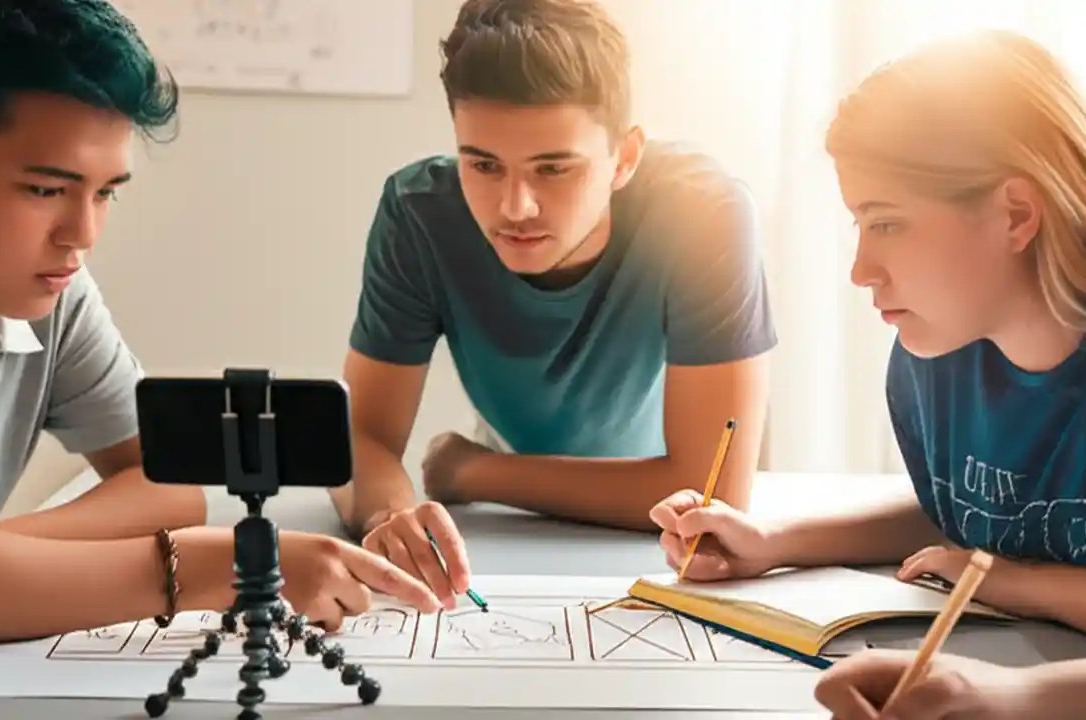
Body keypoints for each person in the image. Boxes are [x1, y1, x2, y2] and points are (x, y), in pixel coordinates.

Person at [647, 29, 1086, 718]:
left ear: (1016, 214)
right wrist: (777, 543)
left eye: (888, 224)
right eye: (858, 226)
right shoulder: (933, 356)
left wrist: (1022, 617)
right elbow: (979, 508)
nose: (860, 271)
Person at [0, 0, 440, 651]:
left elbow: (167, 486)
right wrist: (217, 567)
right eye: (46, 190)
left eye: (106, 192)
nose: (82, 236)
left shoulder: (53, 295)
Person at [332, 0, 775, 607]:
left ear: (623, 158)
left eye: (554, 169)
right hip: (508, 540)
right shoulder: (418, 214)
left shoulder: (705, 213)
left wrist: (473, 472)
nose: (516, 207)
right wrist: (393, 514)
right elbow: (356, 439)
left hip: (658, 558)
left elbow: (708, 493)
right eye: (483, 164)